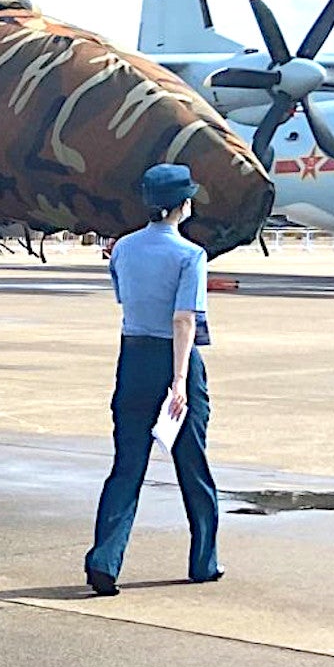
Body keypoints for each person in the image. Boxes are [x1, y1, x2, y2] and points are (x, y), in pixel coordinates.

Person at [84, 163, 222, 596]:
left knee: (126, 466)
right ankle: (204, 560)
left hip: (133, 355)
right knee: (192, 464)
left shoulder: (123, 248)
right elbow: (183, 319)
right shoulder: (190, 255)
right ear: (183, 204)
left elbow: (126, 298)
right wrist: (179, 381)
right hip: (174, 359)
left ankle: (105, 559)